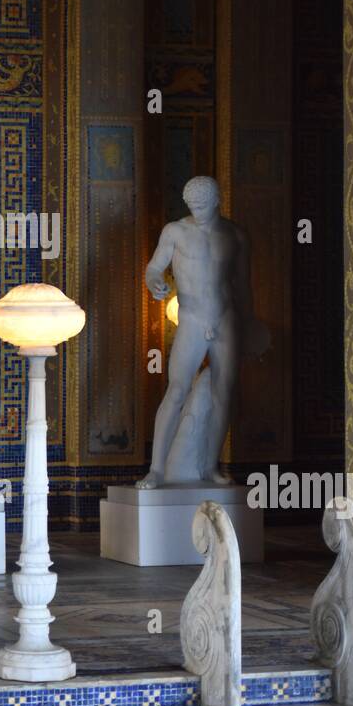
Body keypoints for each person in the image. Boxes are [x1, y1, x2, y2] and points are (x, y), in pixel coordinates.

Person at [138, 175, 265, 489]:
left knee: (223, 394)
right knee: (177, 390)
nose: (197, 211)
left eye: (203, 205)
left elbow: (243, 286)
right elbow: (154, 267)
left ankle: (210, 466)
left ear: (217, 199)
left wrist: (249, 324)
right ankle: (155, 469)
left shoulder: (235, 236)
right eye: (192, 206)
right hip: (192, 320)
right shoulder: (176, 231)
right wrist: (154, 282)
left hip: (225, 319)